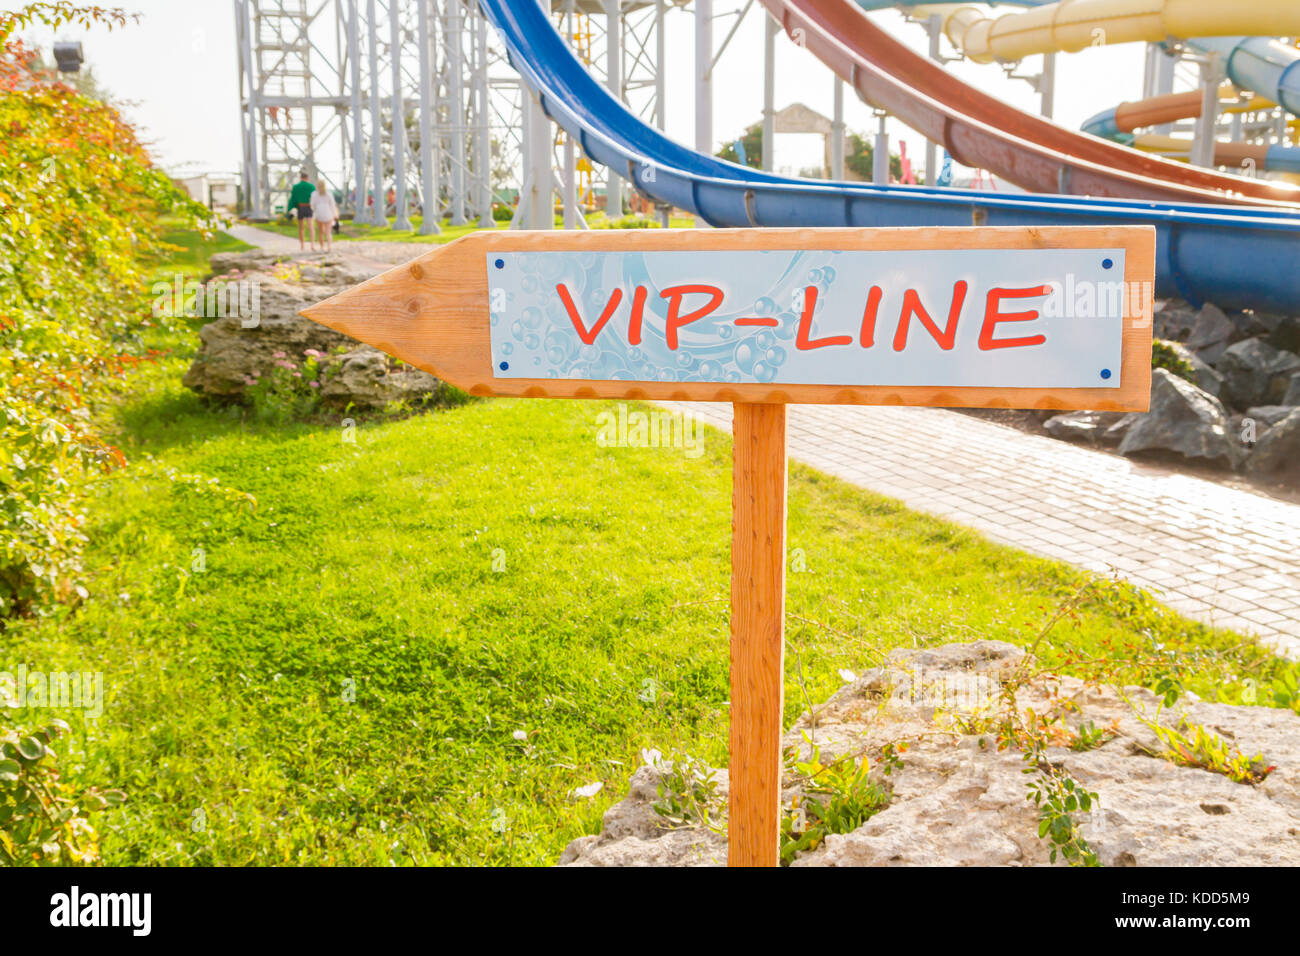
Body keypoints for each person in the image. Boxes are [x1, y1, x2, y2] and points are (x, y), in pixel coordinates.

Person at [288, 170, 315, 250]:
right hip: (309, 208)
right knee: (310, 226)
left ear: (301, 178)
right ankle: (312, 245)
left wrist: (290, 209)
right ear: (307, 178)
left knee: (301, 228)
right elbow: (314, 198)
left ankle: (302, 245)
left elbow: (292, 199)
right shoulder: (311, 186)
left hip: (300, 207)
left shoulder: (295, 187)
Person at [310, 180, 339, 252]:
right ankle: (329, 247)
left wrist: (315, 211)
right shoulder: (329, 194)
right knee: (328, 232)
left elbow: (312, 205)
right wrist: (335, 214)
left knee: (321, 232)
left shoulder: (314, 194)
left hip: (319, 214)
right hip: (328, 213)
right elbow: (332, 205)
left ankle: (322, 247)